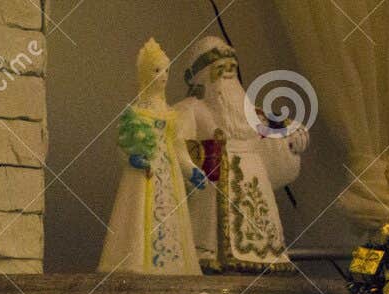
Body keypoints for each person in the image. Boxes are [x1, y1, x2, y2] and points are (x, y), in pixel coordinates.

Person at [174, 36, 308, 272]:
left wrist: (294, 135)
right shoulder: (190, 109)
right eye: (220, 69)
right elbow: (174, 144)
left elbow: (278, 129)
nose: (227, 74)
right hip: (209, 200)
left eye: (231, 69)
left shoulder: (249, 115)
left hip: (254, 198)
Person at [98, 39, 205, 276]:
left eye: (166, 70)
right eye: (157, 70)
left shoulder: (171, 113)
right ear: (146, 74)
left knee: (170, 215)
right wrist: (130, 158)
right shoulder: (135, 112)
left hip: (169, 176)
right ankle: (138, 262)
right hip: (143, 176)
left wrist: (190, 170)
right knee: (139, 218)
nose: (164, 76)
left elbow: (178, 147)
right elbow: (124, 144)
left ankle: (172, 264)